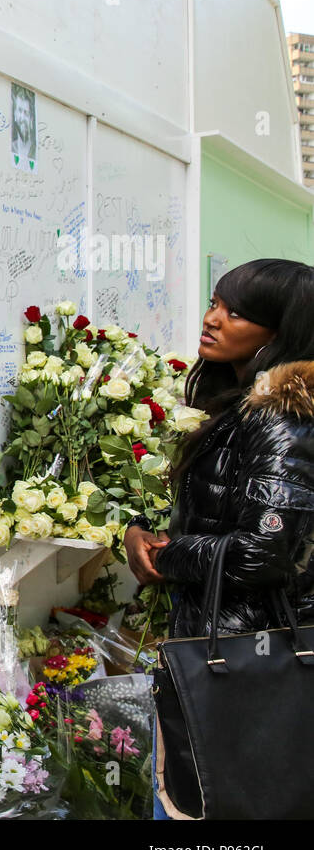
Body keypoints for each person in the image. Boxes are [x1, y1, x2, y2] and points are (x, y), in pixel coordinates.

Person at [123, 258, 314, 818]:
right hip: (225, 644)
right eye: (215, 302)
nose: (213, 319)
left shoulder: (283, 420)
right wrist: (141, 534)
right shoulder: (237, 408)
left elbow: (265, 551)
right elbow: (216, 516)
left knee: (228, 807)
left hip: (251, 652)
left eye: (237, 313)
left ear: (278, 334)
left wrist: (170, 554)